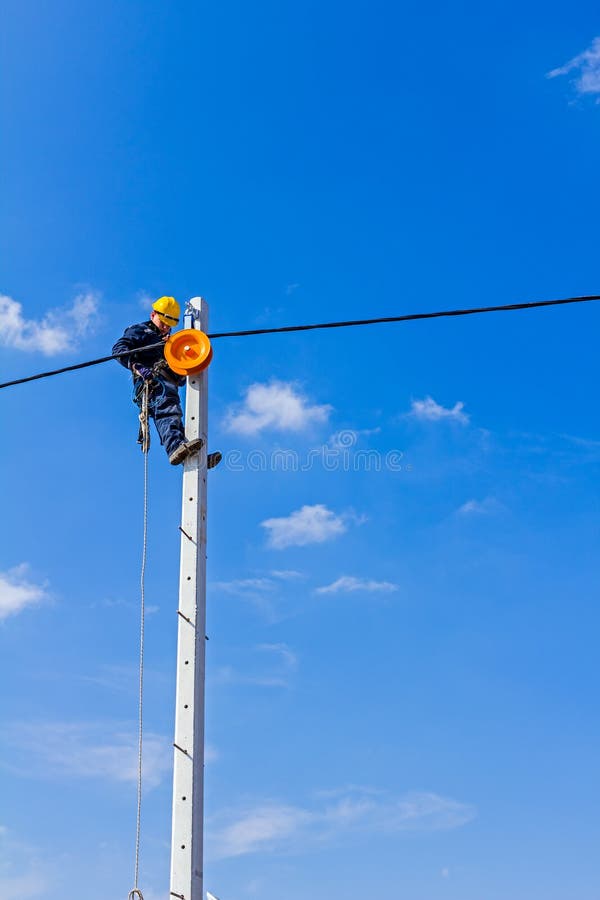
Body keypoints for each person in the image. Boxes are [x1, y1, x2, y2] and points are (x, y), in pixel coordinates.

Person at [112, 296, 220, 467]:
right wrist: (136, 366)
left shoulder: (167, 340)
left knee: (176, 417)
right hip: (152, 382)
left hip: (168, 383)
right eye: (163, 323)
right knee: (167, 412)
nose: (166, 328)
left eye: (169, 325)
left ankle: (197, 459)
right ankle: (175, 447)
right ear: (153, 314)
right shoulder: (140, 330)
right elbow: (119, 349)